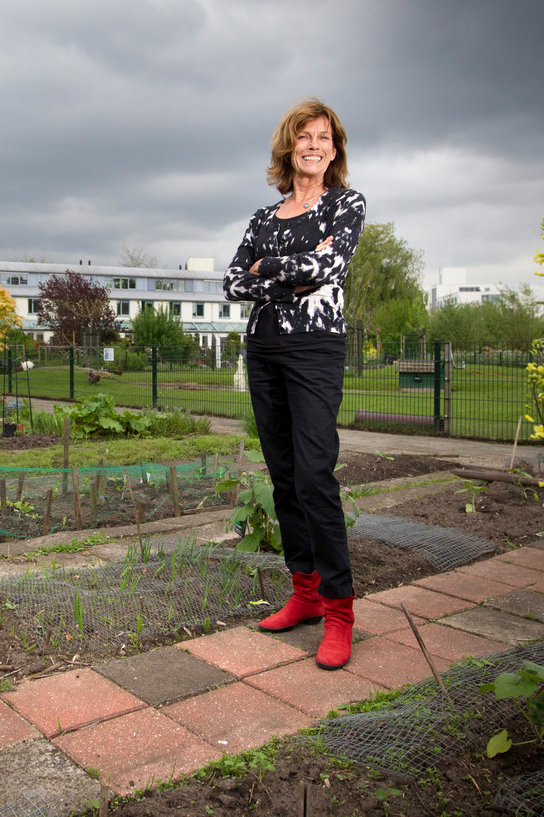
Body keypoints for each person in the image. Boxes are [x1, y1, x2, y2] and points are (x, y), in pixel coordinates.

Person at [222, 97, 366, 670]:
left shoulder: (346, 205)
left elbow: (330, 268)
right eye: (305, 136)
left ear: (335, 149)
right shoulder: (263, 218)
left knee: (314, 475)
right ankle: (304, 594)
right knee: (282, 477)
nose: (315, 145)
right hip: (265, 351)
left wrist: (268, 271)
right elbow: (232, 284)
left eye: (324, 138)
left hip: (315, 350)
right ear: (289, 146)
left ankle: (340, 612)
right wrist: (287, 273)